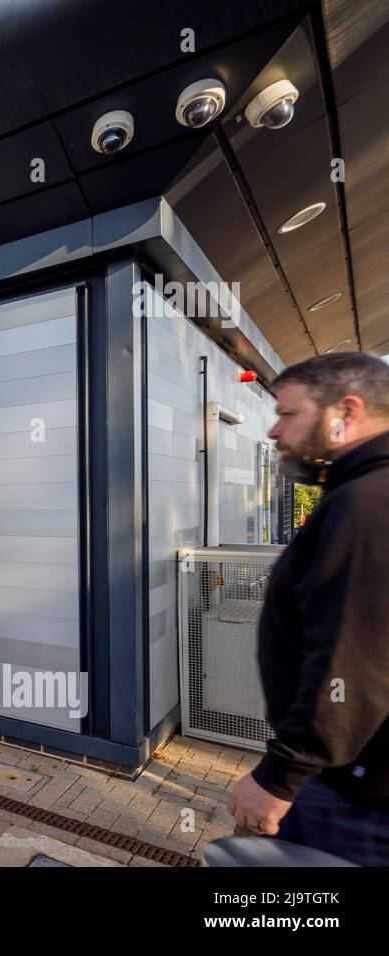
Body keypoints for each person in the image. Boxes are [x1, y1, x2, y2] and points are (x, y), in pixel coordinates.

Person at [226, 352, 389, 865]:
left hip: (355, 796)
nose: (274, 431)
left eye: (287, 413)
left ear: (346, 412)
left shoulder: (365, 504)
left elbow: (353, 663)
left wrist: (279, 778)